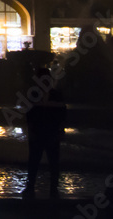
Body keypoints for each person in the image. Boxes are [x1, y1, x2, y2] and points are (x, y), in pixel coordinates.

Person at [23, 68, 67, 197]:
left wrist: (60, 130)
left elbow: (62, 114)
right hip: (41, 134)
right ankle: (35, 187)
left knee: (50, 162)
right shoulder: (38, 95)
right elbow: (29, 116)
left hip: (48, 134)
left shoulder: (38, 95)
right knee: (36, 161)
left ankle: (51, 188)